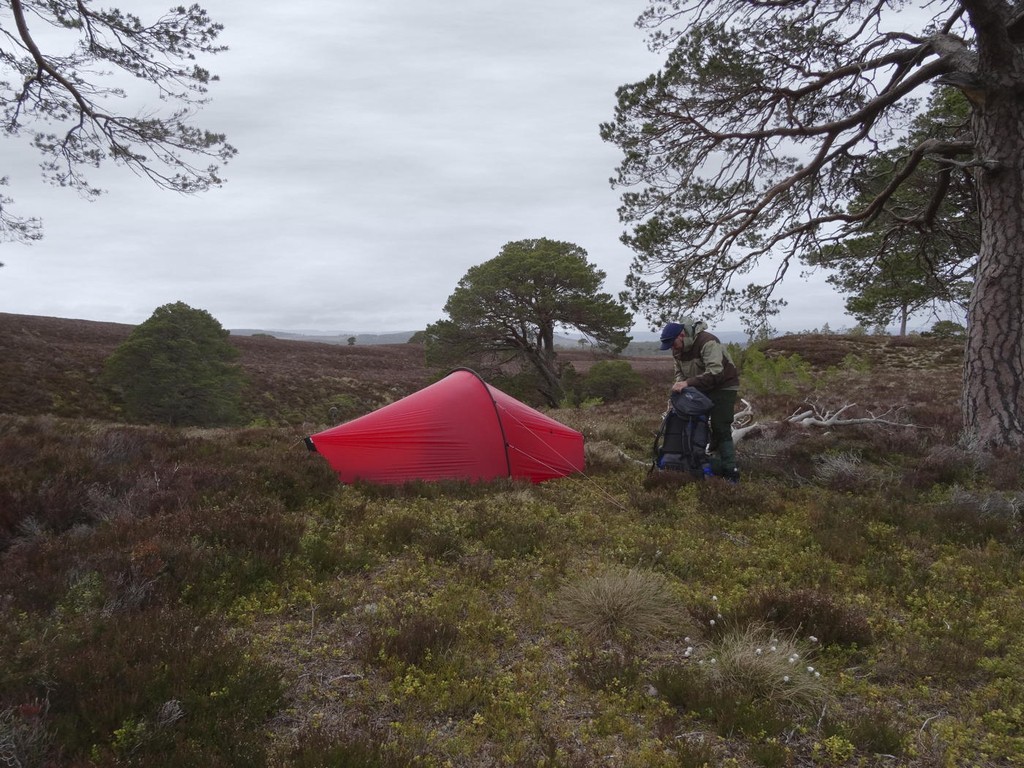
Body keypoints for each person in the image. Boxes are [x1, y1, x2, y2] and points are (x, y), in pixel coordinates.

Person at [659, 318, 741, 482]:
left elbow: (716, 373)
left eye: (673, 343)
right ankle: (699, 461)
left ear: (681, 335)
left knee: (720, 425)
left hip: (723, 386)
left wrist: (688, 383)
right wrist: (681, 384)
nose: (673, 348)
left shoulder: (707, 342)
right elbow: (679, 373)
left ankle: (731, 471)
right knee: (692, 422)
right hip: (700, 388)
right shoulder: (677, 349)